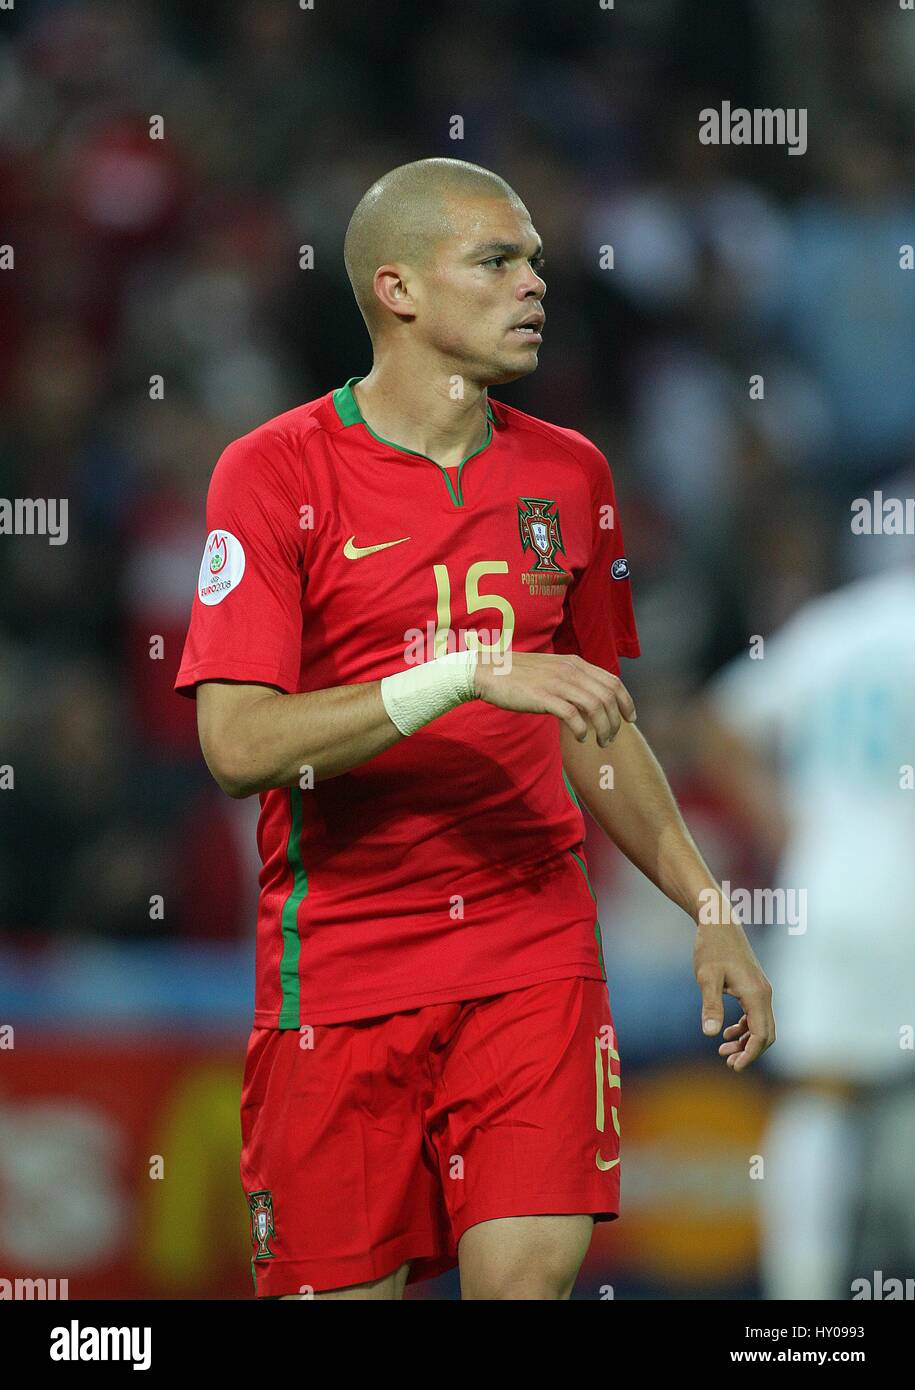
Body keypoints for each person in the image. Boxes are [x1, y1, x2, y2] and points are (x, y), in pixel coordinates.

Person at [174, 157, 775, 1300]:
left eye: (535, 260)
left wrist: (709, 906)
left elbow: (598, 723)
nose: (534, 283)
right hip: (337, 969)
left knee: (524, 1284)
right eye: (496, 261)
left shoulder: (572, 473)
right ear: (397, 289)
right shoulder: (271, 473)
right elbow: (237, 746)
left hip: (530, 947)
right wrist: (457, 676)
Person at [699, 556, 915, 1299]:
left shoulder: (832, 626)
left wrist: (786, 827)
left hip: (830, 883)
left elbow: (718, 723)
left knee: (819, 1092)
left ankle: (801, 1304)